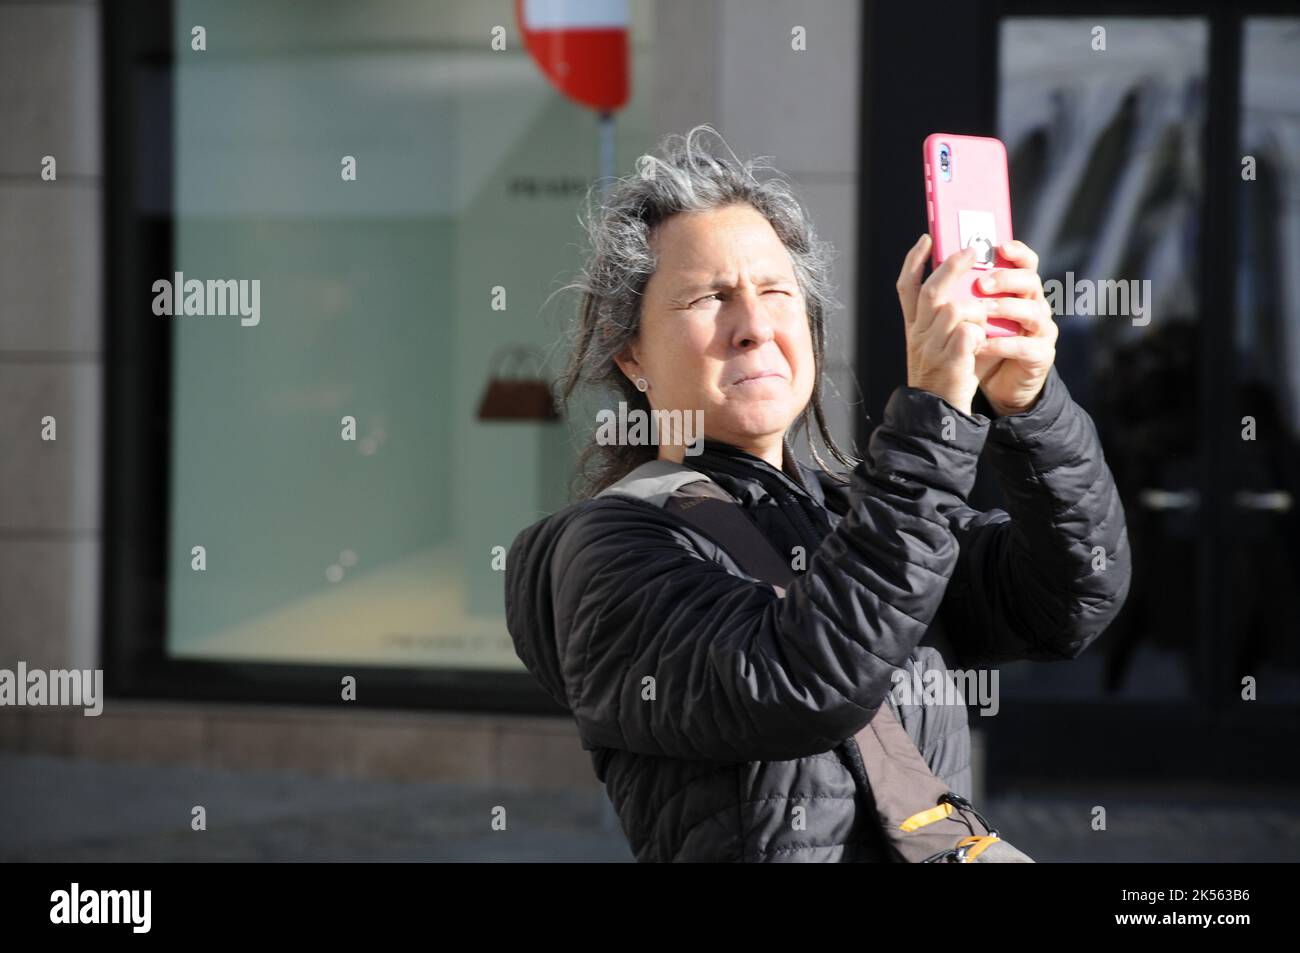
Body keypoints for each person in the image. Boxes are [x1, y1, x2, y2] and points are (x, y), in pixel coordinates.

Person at [504, 124, 1131, 862]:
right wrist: (934, 416)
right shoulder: (612, 548)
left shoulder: (862, 513)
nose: (755, 326)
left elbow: (1067, 597)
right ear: (632, 355)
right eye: (708, 297)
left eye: (775, 290)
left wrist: (1029, 407)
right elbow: (803, 678)